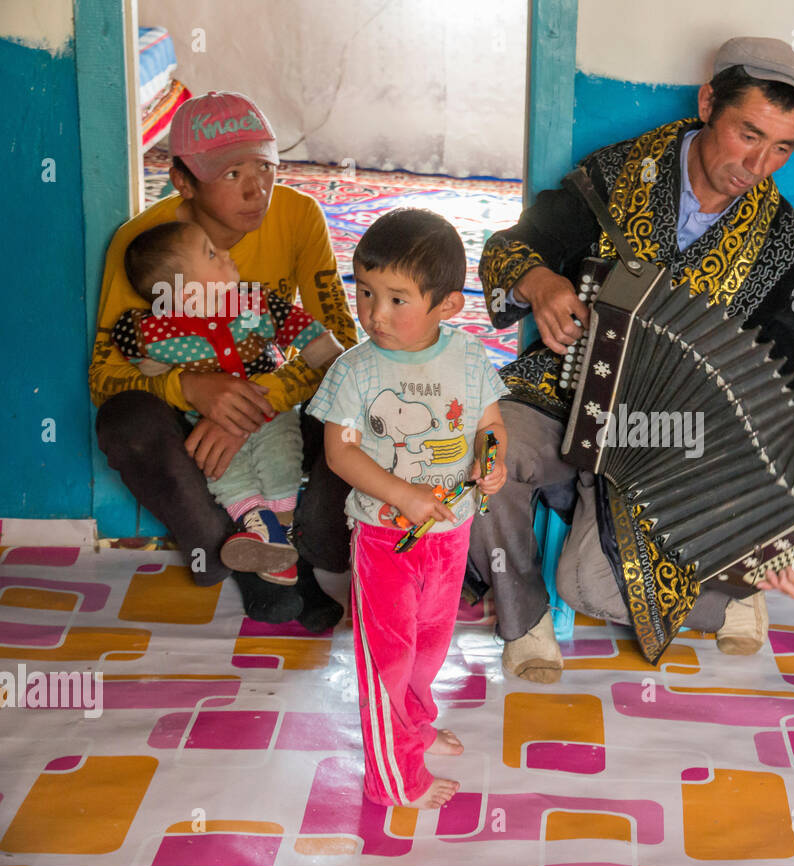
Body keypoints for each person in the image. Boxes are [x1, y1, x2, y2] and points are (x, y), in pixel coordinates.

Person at [472, 36, 794, 682]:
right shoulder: (611, 180)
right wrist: (541, 285)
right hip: (561, 396)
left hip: (668, 449)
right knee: (485, 447)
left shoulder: (789, 248)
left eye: (783, 147)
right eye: (749, 134)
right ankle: (520, 619)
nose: (759, 163)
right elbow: (506, 249)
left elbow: (780, 396)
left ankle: (727, 600)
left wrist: (778, 524)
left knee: (587, 586)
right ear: (707, 103)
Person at [91, 91, 356, 627]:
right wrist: (191, 391)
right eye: (232, 174)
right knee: (125, 422)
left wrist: (258, 403)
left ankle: (303, 543)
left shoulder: (300, 217)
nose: (257, 188)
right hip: (194, 425)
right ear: (183, 181)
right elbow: (105, 376)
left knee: (363, 402)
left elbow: (343, 348)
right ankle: (229, 549)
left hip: (277, 408)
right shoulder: (144, 243)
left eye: (266, 167)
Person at [308, 208, 509, 808]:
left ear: (448, 305)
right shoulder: (356, 369)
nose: (373, 314)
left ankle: (413, 730)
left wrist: (491, 461)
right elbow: (341, 455)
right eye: (365, 293)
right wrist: (403, 495)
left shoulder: (469, 360)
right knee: (386, 660)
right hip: (383, 541)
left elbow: (489, 425)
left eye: (397, 299)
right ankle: (394, 779)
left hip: (449, 537)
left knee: (429, 649)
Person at [114, 220, 345, 584]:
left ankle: (279, 528)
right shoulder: (158, 329)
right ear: (183, 292)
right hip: (208, 421)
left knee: (281, 455)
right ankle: (262, 528)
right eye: (210, 254)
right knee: (223, 469)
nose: (225, 255)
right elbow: (136, 355)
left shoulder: (251, 303)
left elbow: (299, 327)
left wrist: (327, 354)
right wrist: (174, 380)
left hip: (271, 409)